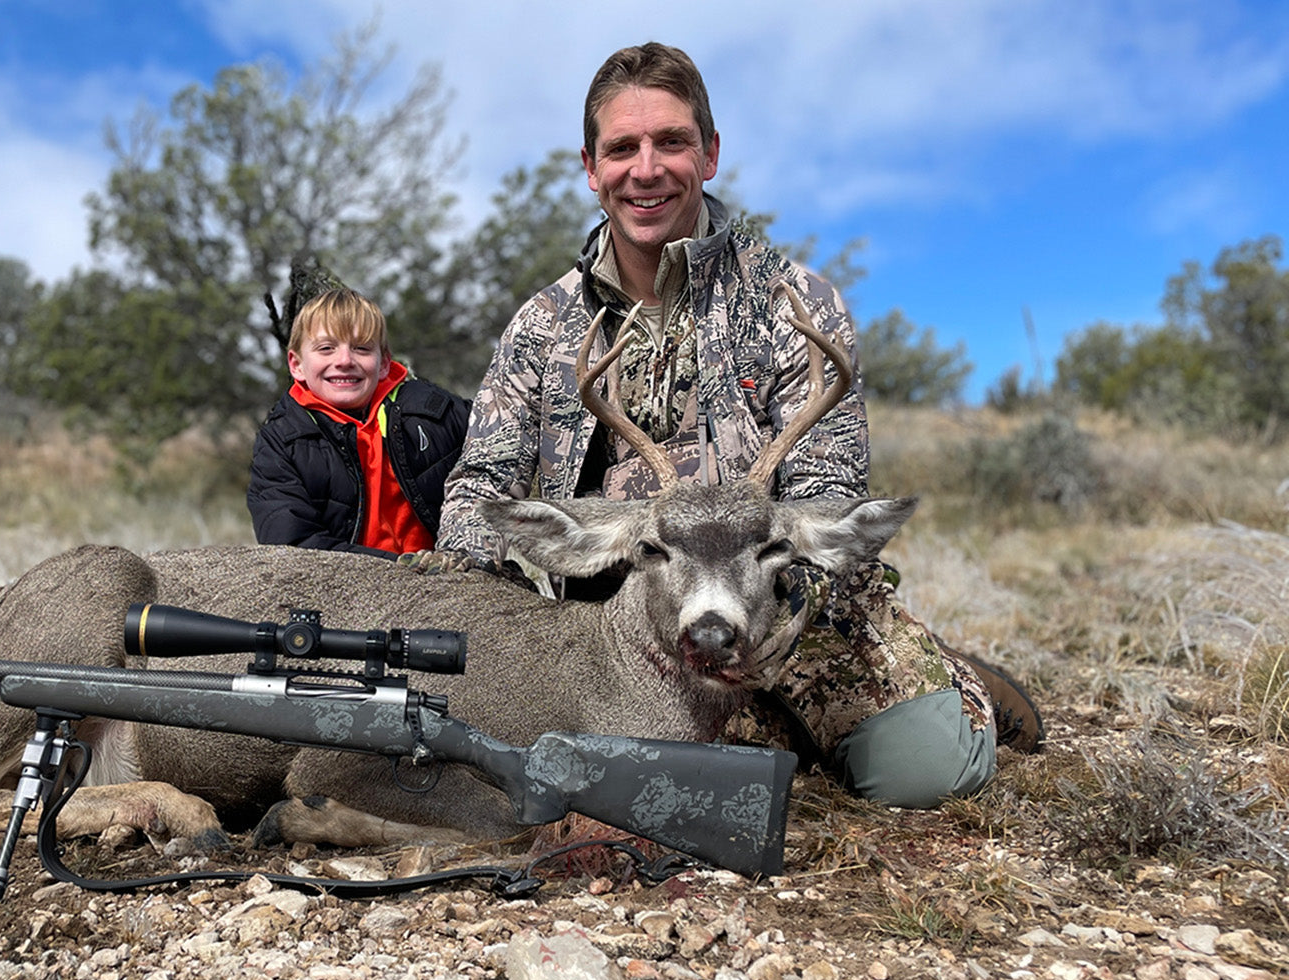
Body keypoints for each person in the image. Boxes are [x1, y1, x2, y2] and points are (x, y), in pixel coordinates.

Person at [416, 41, 1041, 809]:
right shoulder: (543, 325)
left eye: (671, 142)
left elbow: (827, 489)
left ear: (709, 154)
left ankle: (957, 686)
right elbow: (483, 484)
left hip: (777, 611)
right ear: (591, 168)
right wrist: (482, 598)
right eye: (622, 149)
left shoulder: (792, 303)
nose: (646, 169)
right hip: (610, 633)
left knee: (919, 774)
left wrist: (767, 621)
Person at [248, 287, 471, 558]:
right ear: (296, 365)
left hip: (447, 572)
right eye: (326, 349)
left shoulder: (435, 409)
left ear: (384, 363)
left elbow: (500, 436)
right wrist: (404, 567)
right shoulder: (279, 441)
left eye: (361, 348)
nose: (344, 361)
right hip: (351, 580)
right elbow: (292, 543)